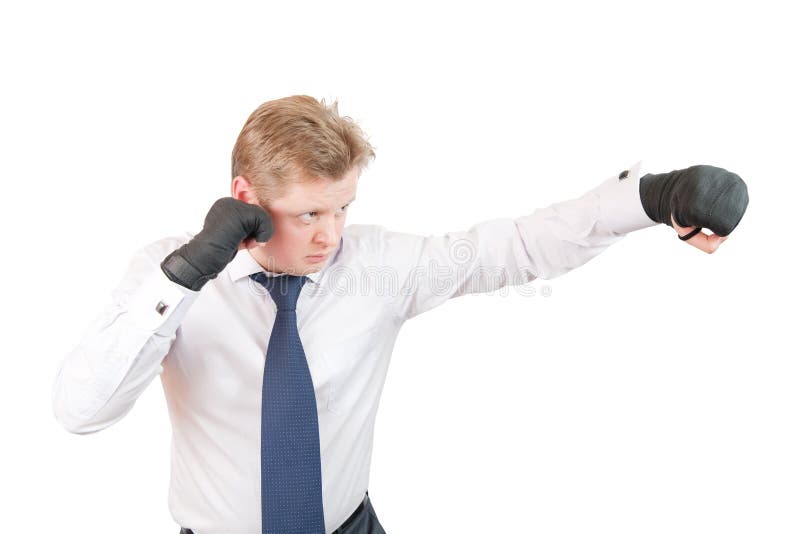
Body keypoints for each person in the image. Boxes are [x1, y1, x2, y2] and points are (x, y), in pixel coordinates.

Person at [51, 95, 749, 534]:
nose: (331, 235)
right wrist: (186, 275)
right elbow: (82, 410)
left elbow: (513, 246)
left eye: (344, 207)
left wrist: (655, 197)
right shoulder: (166, 275)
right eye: (309, 214)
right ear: (244, 197)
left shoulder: (375, 267)